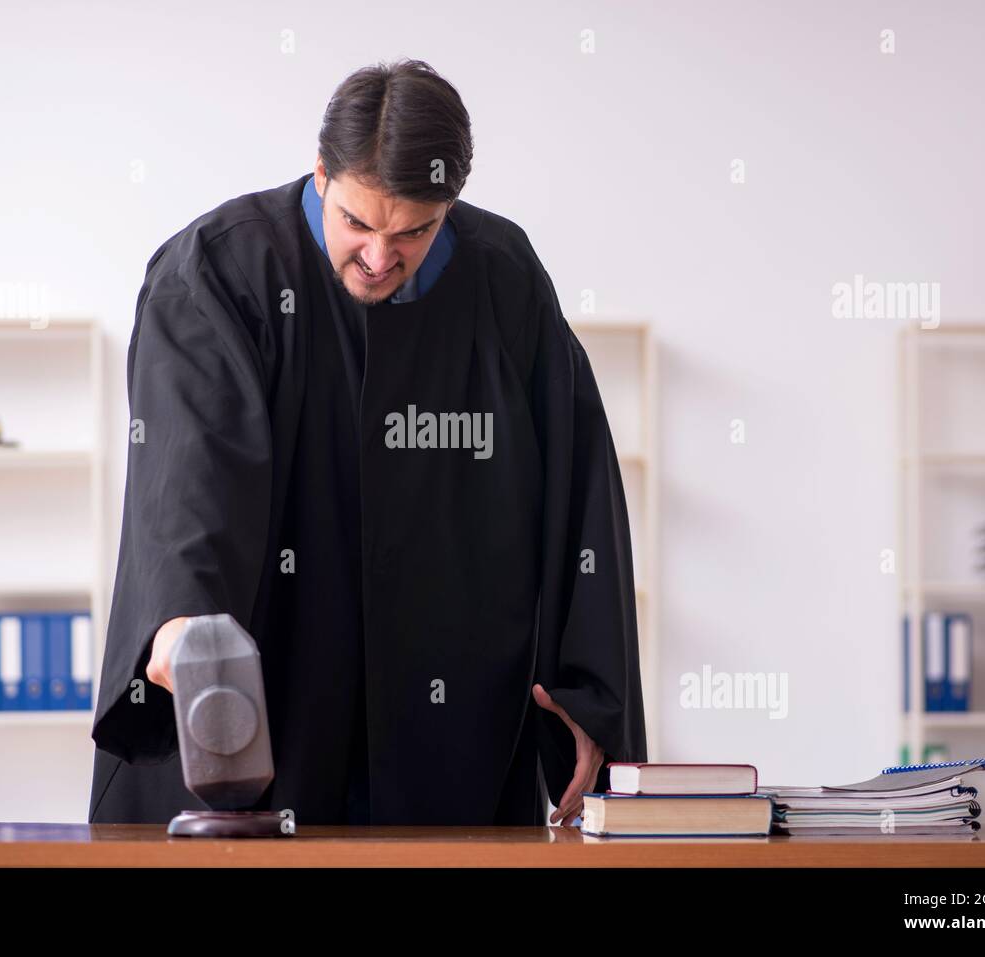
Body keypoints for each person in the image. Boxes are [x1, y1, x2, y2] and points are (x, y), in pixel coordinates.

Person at [88, 58, 646, 827]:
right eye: (358, 223)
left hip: (452, 718)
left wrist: (591, 697)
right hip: (266, 704)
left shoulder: (502, 277)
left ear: (450, 204)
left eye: (415, 230)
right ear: (320, 175)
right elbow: (189, 466)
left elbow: (581, 480)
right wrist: (186, 617)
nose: (381, 258)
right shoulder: (223, 269)